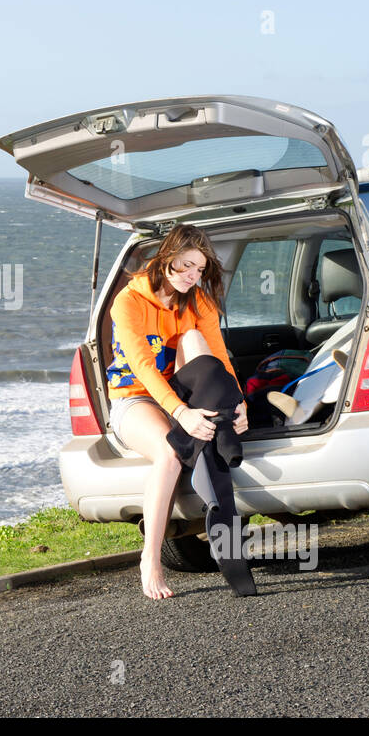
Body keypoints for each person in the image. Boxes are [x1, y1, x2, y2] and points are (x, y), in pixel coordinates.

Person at [104, 224, 247, 599]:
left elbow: (219, 359)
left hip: (185, 394)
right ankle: (149, 559)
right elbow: (143, 366)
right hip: (136, 398)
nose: (192, 277)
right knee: (169, 453)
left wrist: (239, 402)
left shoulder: (198, 301)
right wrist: (181, 414)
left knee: (195, 339)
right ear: (166, 258)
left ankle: (222, 421)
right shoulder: (129, 301)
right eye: (186, 266)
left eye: (199, 270)